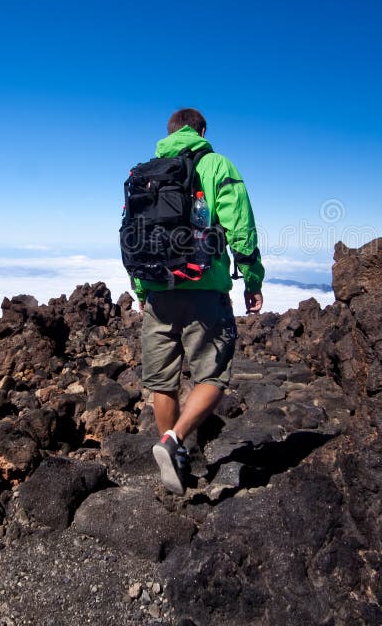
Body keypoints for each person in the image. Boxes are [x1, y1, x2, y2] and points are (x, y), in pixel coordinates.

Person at [132, 108, 264, 494]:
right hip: (205, 289)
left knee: (162, 381)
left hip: (158, 289)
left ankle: (174, 458)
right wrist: (252, 280)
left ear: (169, 132)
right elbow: (241, 228)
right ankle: (174, 441)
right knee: (213, 376)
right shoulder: (217, 164)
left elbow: (135, 236)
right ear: (202, 130)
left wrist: (142, 289)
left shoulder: (146, 172)